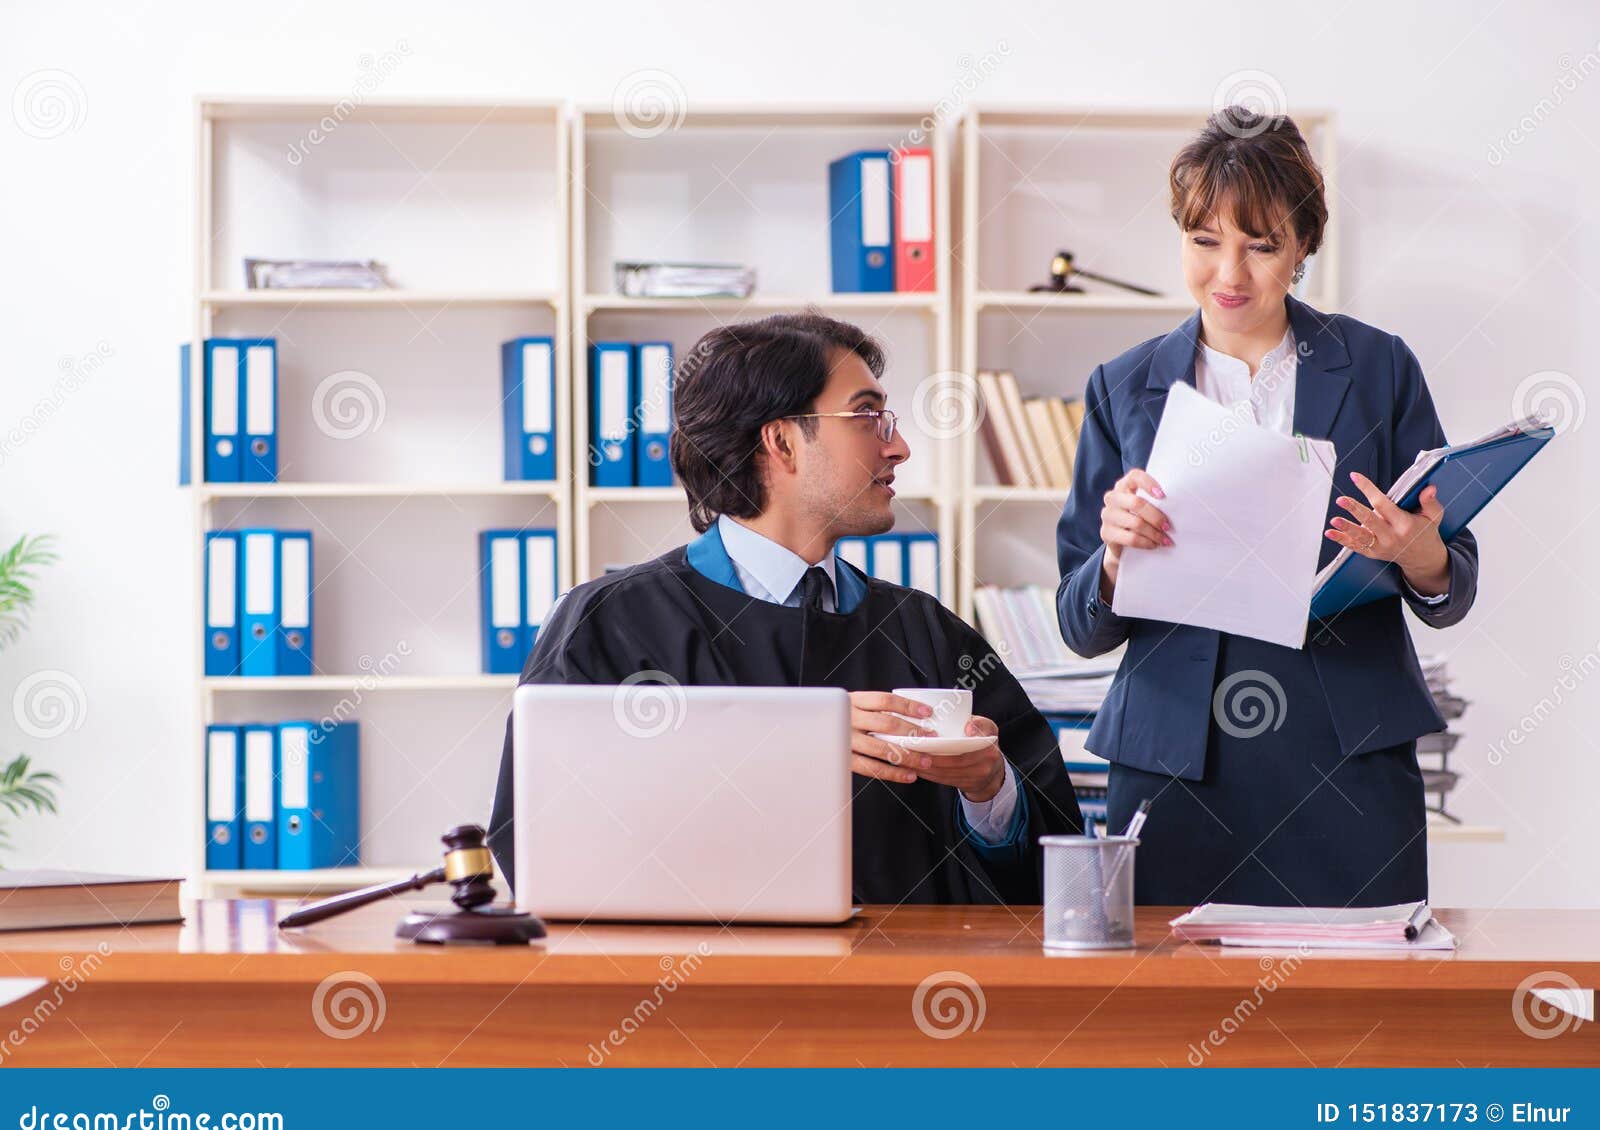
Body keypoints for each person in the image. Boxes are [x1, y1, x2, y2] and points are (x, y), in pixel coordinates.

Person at [491, 312, 1082, 904]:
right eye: (868, 416)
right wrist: (784, 745)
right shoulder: (605, 626)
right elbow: (542, 839)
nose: (898, 446)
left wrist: (991, 792)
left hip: (897, 987)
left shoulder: (927, 632)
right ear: (781, 442)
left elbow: (1059, 868)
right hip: (691, 988)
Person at [1055, 107, 1477, 908]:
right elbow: (1079, 623)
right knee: (1170, 1013)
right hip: (1177, 757)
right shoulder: (1122, 385)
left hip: (1345, 750)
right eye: (1205, 241)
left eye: (1261, 245)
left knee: (1359, 1014)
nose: (1230, 274)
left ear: (1304, 247)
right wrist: (1112, 560)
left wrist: (1415, 552)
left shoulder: (1380, 367)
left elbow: (1452, 583)